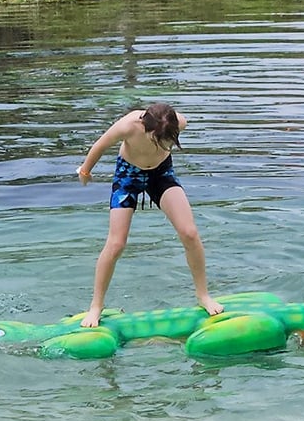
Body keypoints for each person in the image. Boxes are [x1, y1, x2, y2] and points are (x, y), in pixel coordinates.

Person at [77, 102, 224, 329]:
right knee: (116, 244)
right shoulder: (128, 126)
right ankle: (96, 306)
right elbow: (99, 146)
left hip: (161, 174)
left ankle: (203, 296)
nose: (164, 144)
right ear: (146, 128)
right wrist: (85, 171)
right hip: (128, 176)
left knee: (190, 233)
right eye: (159, 139)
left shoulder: (179, 122)